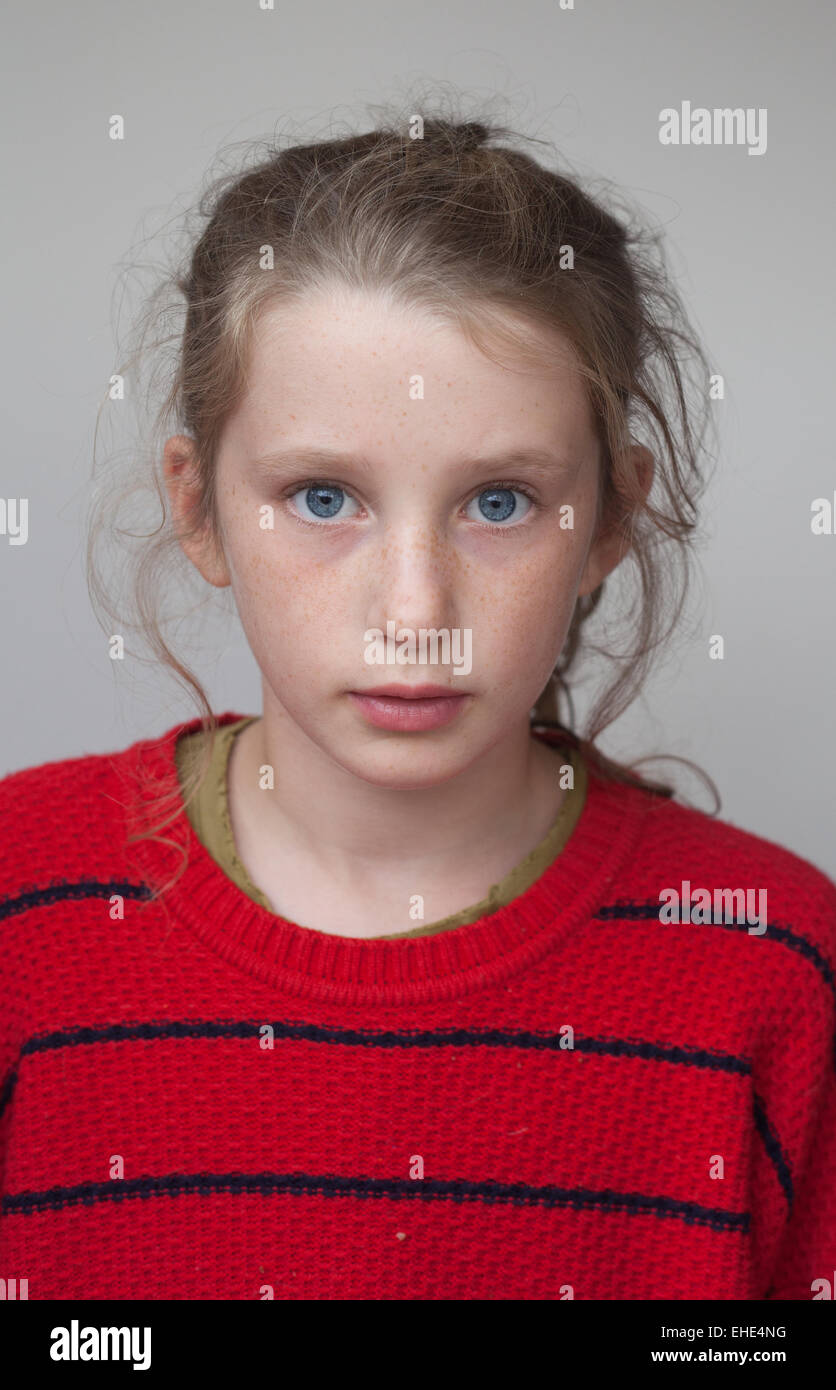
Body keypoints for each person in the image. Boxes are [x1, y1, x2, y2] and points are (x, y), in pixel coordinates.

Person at [1, 112, 834, 1301]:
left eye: (497, 503)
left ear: (605, 518)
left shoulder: (773, 967)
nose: (412, 609)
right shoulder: (18, 908)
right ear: (198, 510)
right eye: (323, 495)